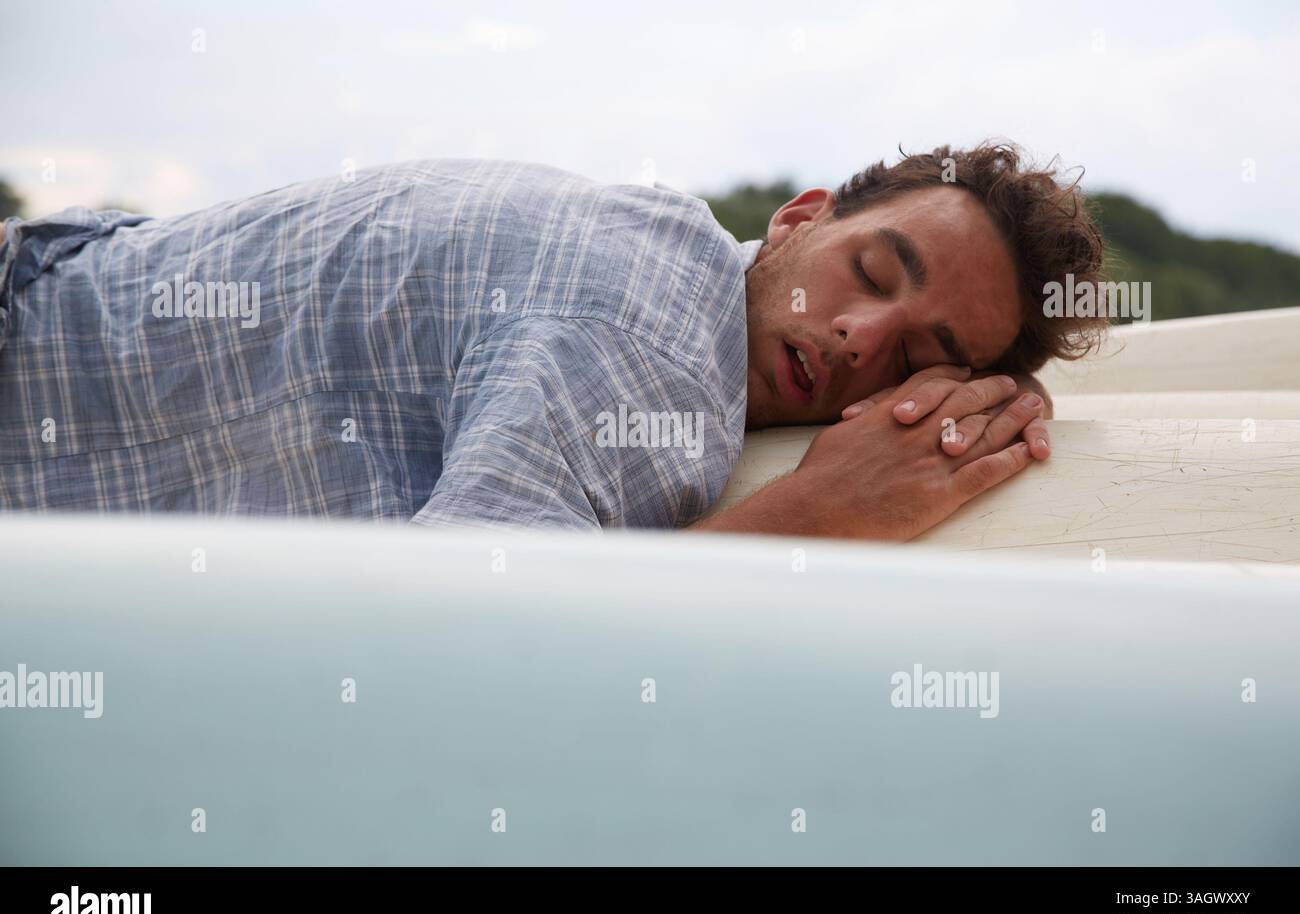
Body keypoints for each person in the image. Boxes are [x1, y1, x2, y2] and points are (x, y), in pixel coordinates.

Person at [0, 143, 1104, 538]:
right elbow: (466, 624)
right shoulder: (654, 344)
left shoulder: (656, 235)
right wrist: (815, 515)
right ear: (800, 217)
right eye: (870, 272)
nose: (861, 336)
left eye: (916, 363)